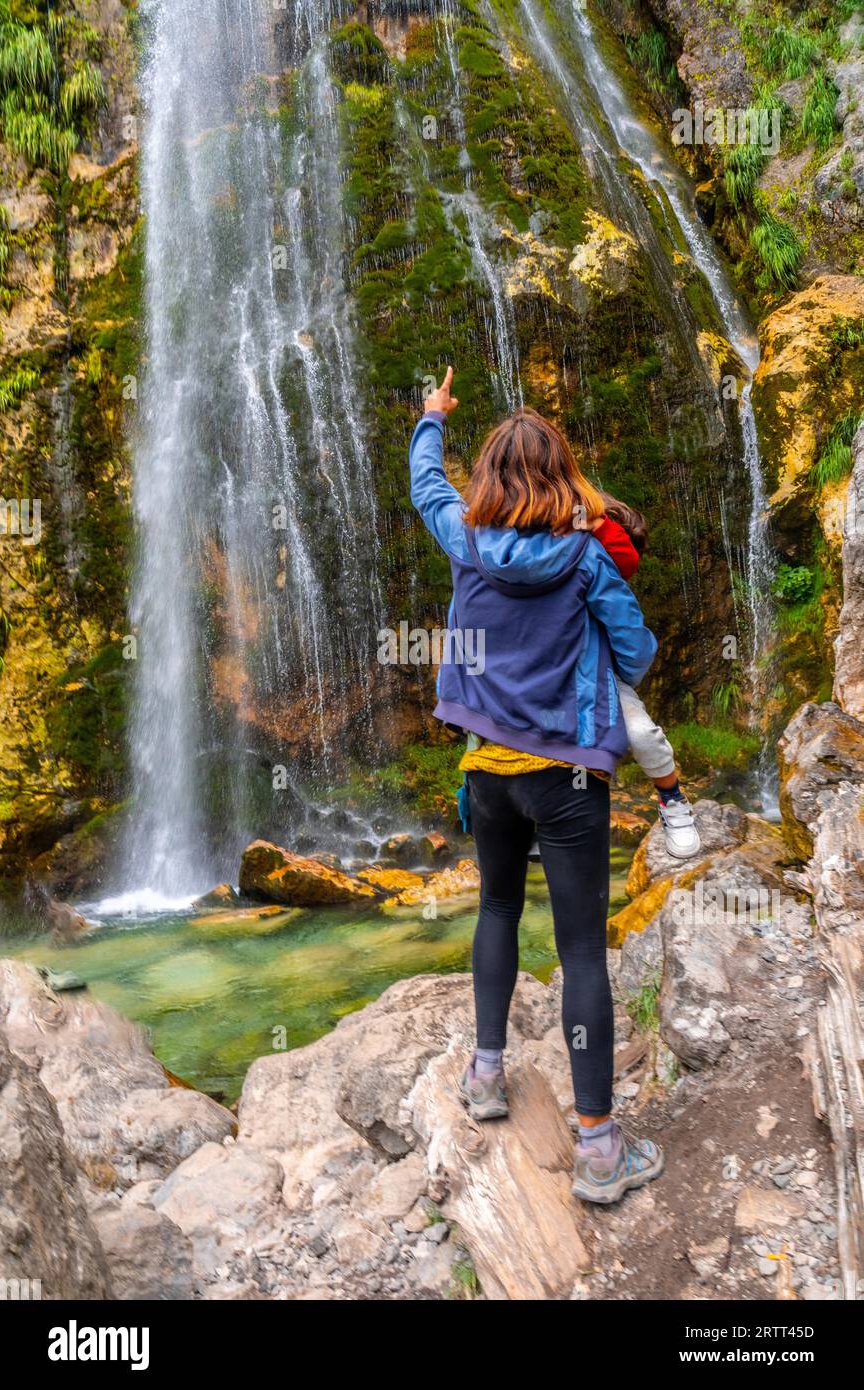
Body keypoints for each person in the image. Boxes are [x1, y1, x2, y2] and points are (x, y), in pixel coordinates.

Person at [409, 368, 665, 1204]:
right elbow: (637, 654)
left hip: (487, 771)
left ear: (483, 481)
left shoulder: (462, 537)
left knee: (496, 909)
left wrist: (431, 419)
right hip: (568, 777)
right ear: (563, 479)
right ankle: (597, 1148)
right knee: (582, 947)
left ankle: (485, 1077)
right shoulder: (588, 558)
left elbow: (424, 488)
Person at [543, 495, 701, 859]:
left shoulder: (603, 563)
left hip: (598, 672)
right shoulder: (553, 547)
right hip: (546, 668)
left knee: (642, 732)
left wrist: (598, 525)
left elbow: (625, 561)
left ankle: (672, 797)